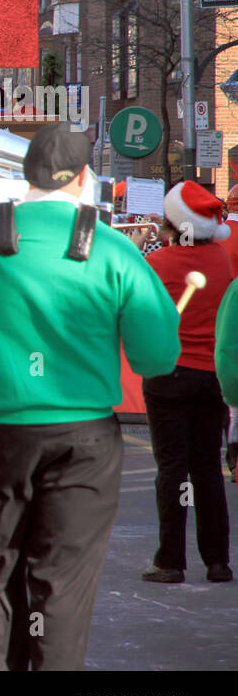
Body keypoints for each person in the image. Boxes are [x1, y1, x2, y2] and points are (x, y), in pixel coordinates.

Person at [0, 122, 181, 670]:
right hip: (82, 440)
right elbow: (157, 358)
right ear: (84, 179)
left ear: (24, 174)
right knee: (61, 589)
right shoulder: (111, 248)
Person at [139, 181, 233, 584]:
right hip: (211, 375)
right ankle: (217, 561)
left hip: (168, 375)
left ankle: (171, 560)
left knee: (172, 470)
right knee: (208, 468)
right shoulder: (222, 260)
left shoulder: (157, 263)